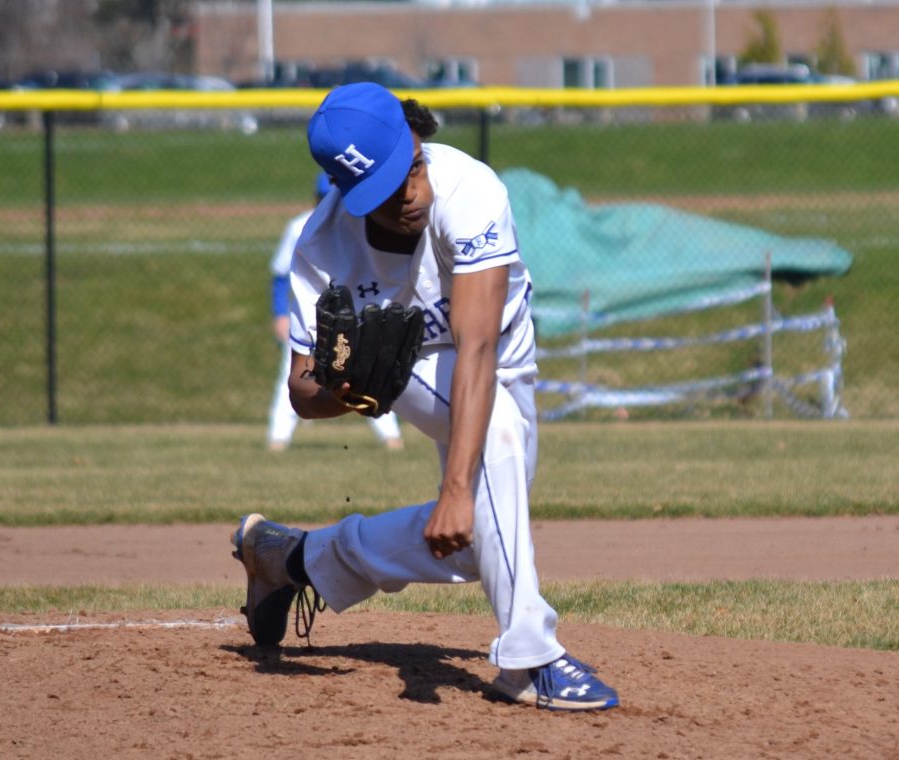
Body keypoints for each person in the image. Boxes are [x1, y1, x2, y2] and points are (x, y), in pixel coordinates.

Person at [231, 82, 619, 712]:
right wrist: (352, 389)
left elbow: (479, 350)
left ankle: (289, 556)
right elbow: (302, 392)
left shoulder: (470, 191)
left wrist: (458, 491)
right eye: (385, 188)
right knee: (492, 442)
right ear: (350, 194)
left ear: (416, 139)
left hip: (496, 356)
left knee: (476, 541)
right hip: (414, 373)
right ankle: (531, 658)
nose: (410, 193)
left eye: (409, 166)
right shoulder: (321, 251)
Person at [266, 170, 404, 452]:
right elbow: (280, 275)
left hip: (350, 313)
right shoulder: (299, 226)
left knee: (366, 372)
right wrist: (280, 313)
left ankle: (390, 435)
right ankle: (278, 437)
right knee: (292, 375)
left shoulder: (357, 225)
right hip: (310, 312)